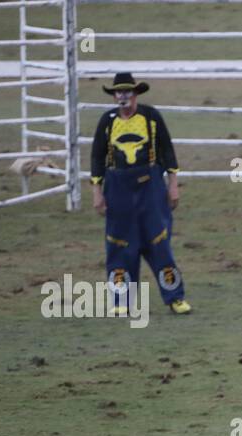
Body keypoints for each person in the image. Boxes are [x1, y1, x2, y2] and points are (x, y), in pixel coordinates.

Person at [90, 73, 192, 316]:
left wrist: (173, 184)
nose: (123, 96)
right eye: (119, 92)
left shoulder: (151, 117)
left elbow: (167, 150)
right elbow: (97, 156)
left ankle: (174, 298)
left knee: (159, 243)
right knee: (118, 245)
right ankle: (121, 301)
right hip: (118, 190)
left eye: (127, 91)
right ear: (114, 95)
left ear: (136, 93)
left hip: (151, 188)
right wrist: (97, 191)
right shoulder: (107, 121)